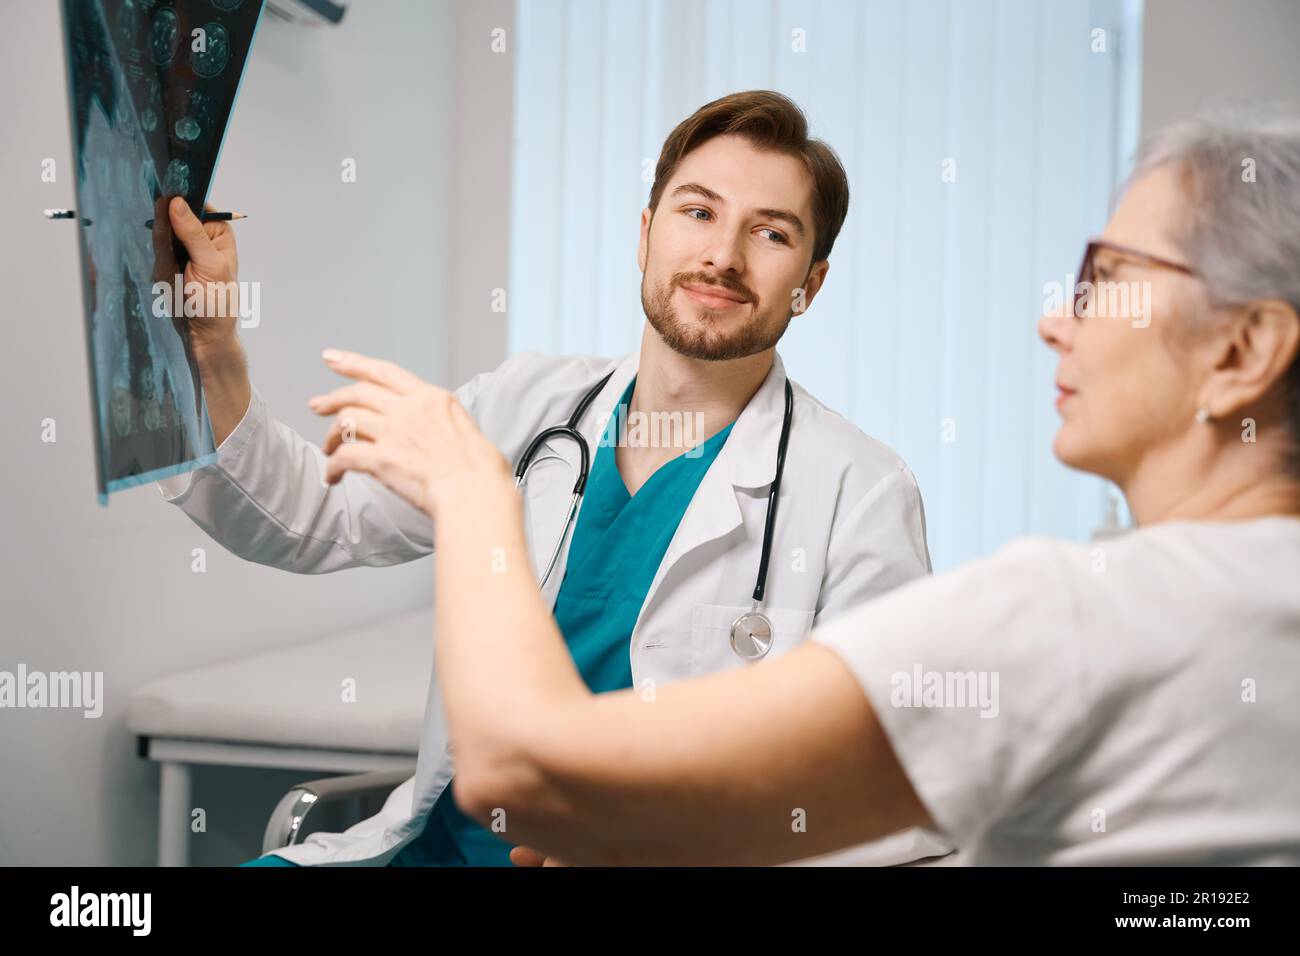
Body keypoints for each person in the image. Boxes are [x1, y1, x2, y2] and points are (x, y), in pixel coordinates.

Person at [317, 112, 1300, 866]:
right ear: (646, 228)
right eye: (697, 210)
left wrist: (473, 489)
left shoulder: (1060, 610)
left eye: (1105, 276)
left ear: (1245, 348)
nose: (1055, 320)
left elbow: (521, 765)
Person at [158, 90, 947, 866]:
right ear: (645, 235)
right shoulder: (527, 405)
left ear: (810, 282)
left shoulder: (860, 492)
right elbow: (305, 519)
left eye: (770, 234)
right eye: (698, 212)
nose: (723, 256)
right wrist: (216, 351)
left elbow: (903, 798)